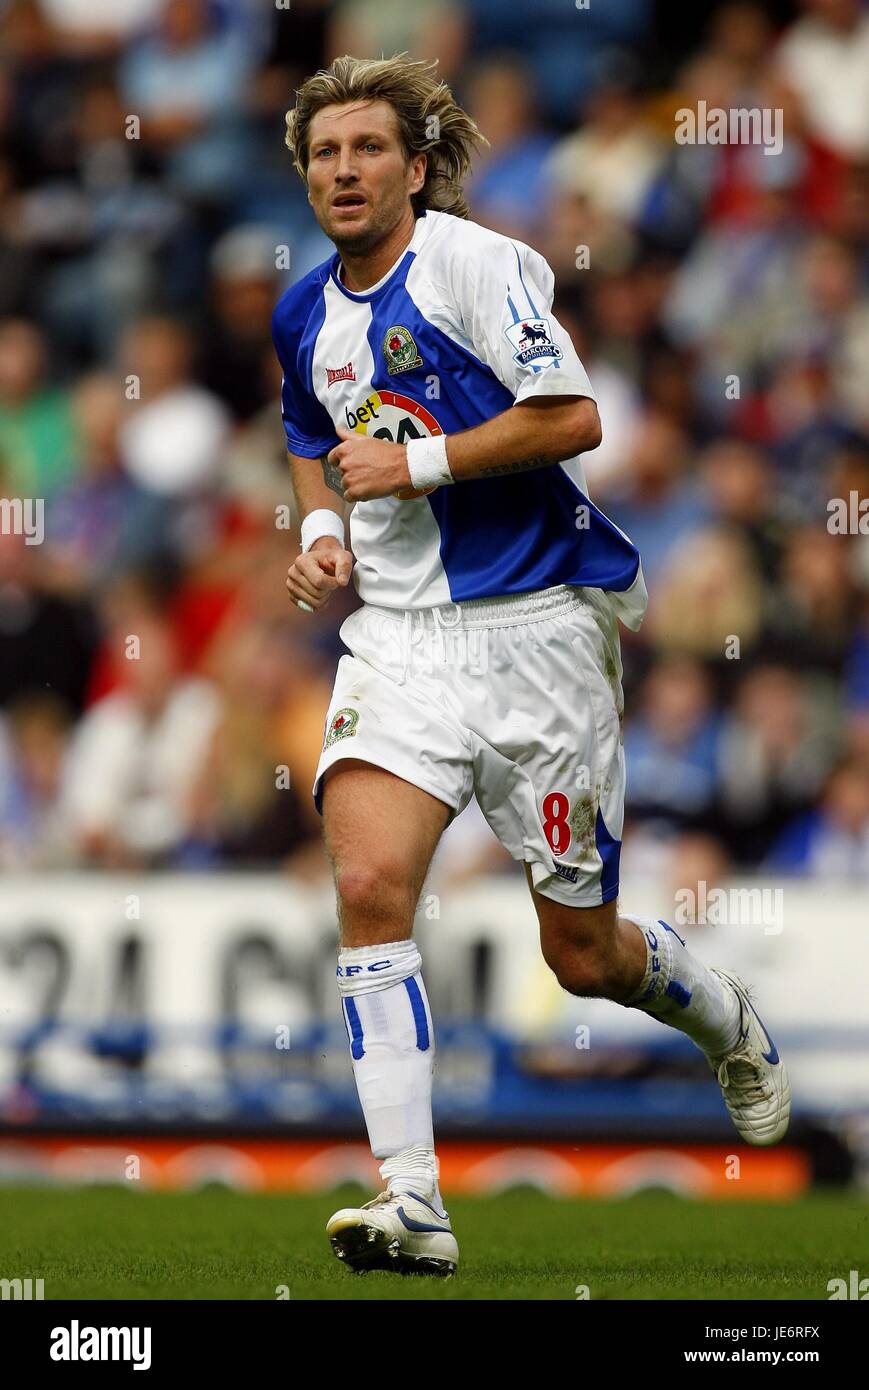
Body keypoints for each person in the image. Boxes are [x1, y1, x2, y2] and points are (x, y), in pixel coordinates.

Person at [271, 53, 790, 1279]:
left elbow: (573, 417)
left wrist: (423, 466)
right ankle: (412, 1201)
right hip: (396, 637)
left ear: (413, 166)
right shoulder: (302, 309)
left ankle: (720, 1018)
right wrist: (322, 533)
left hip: (537, 633)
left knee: (583, 955)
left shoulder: (474, 264)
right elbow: (306, 430)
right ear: (303, 176)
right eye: (323, 154)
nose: (344, 171)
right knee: (367, 882)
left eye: (367, 150)